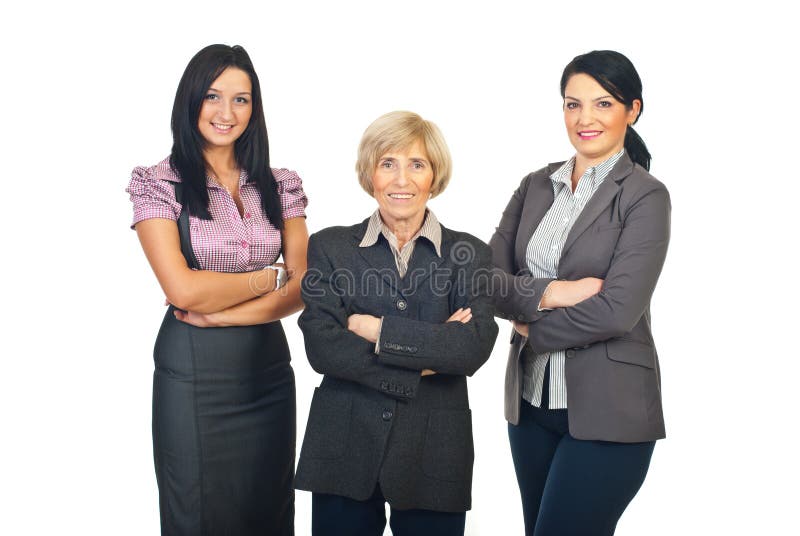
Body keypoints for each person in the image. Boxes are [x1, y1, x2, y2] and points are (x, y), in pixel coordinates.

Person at [126, 44, 308, 535]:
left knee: (268, 511)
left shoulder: (279, 183)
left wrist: (227, 312)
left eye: (242, 100)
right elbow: (183, 290)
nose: (227, 113)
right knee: (198, 515)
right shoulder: (158, 184)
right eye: (213, 96)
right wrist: (269, 277)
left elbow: (305, 284)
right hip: (193, 375)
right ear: (191, 100)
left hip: (267, 373)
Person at [490, 50, 670, 536]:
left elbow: (617, 312)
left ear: (632, 110)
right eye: (573, 105)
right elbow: (487, 281)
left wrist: (531, 323)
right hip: (529, 404)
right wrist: (557, 292)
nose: (585, 118)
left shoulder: (645, 196)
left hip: (611, 410)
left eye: (603, 104)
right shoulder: (534, 185)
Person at [295, 111, 498, 536]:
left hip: (433, 452)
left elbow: (471, 348)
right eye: (388, 163)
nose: (401, 180)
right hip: (343, 446)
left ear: (434, 175)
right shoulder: (330, 246)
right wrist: (428, 355)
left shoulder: (470, 253)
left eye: (416, 165)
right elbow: (322, 346)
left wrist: (375, 330)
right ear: (370, 174)